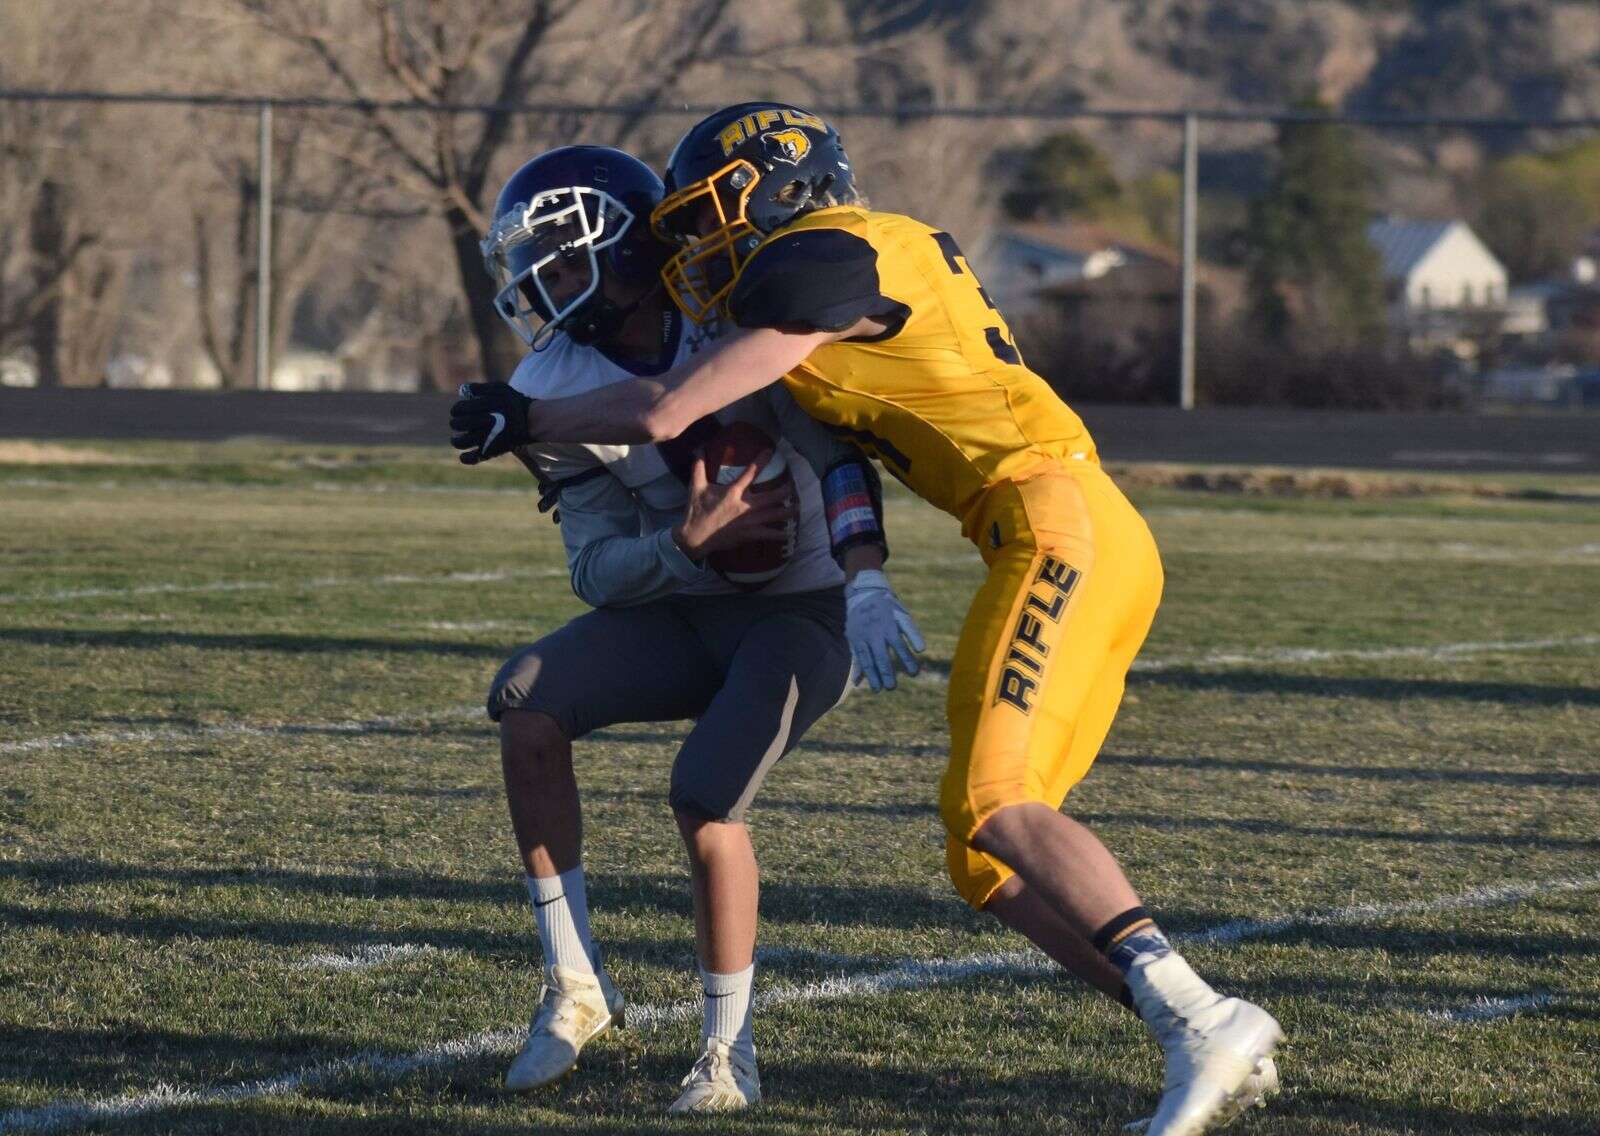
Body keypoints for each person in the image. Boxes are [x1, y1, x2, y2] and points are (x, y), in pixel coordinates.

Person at [451, 108, 1283, 1136]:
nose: (700, 240)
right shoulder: (834, 277)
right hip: (1051, 527)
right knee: (983, 859)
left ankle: (1205, 1017)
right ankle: (1180, 1024)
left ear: (776, 186)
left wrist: (523, 416)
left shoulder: (824, 256)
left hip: (1053, 523)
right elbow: (820, 437)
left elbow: (666, 410)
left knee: (995, 801)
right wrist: (866, 575)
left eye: (711, 212)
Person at [462, 143, 924, 1114]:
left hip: (799, 610)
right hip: (680, 609)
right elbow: (594, 569)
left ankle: (726, 1053)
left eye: (564, 255)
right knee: (526, 702)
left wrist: (864, 578)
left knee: (707, 796)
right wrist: (684, 544)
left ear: (629, 247)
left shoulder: (733, 313)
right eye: (539, 261)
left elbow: (835, 449)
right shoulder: (550, 377)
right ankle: (576, 984)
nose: (544, 280)